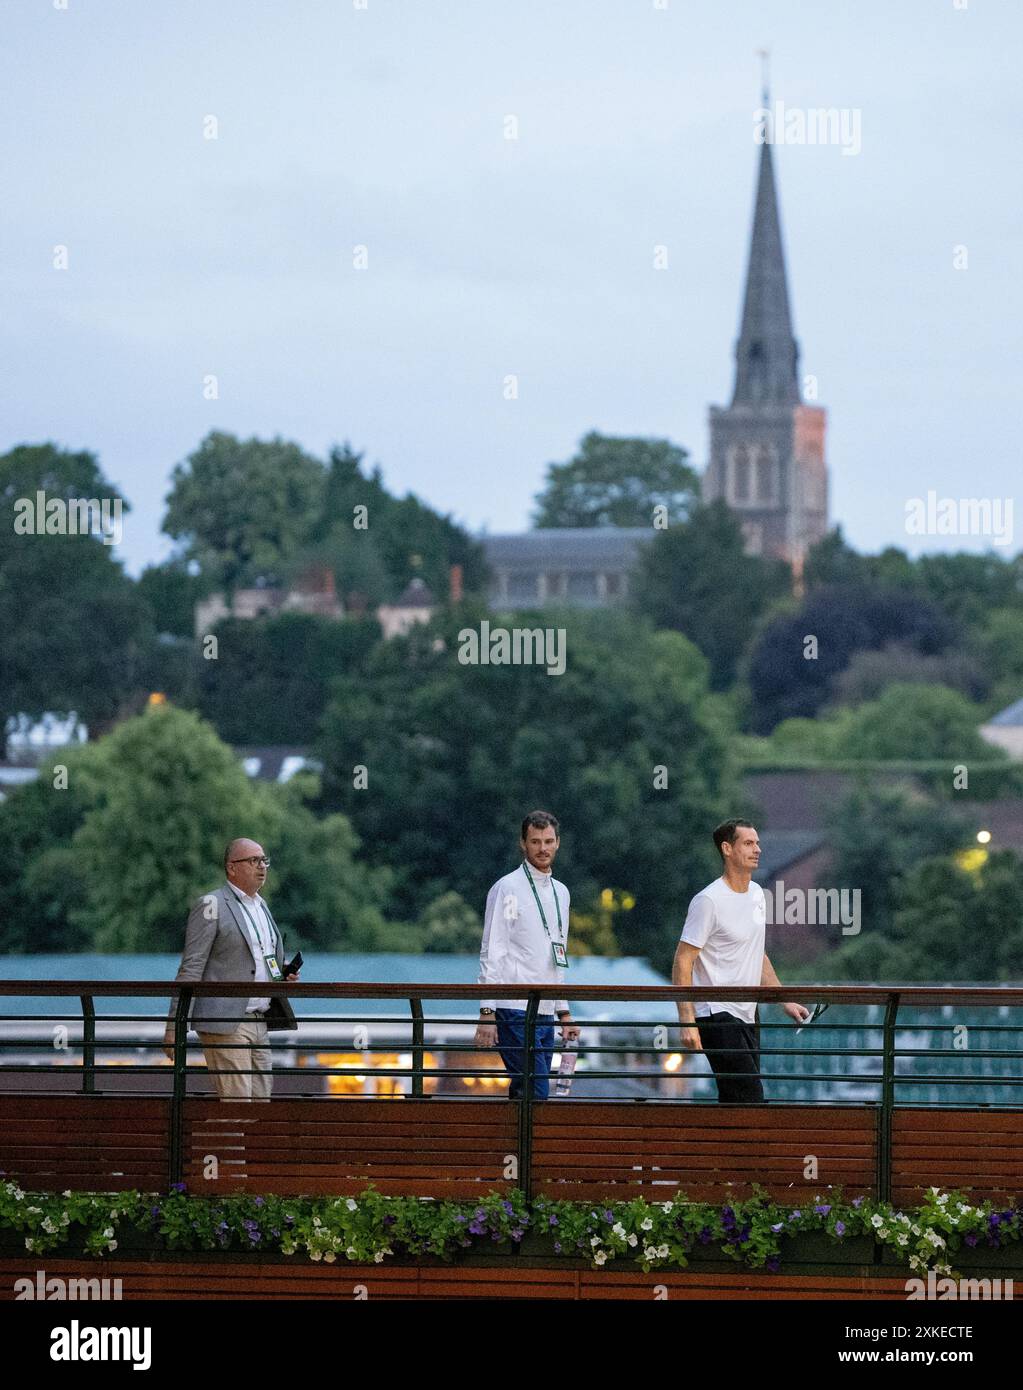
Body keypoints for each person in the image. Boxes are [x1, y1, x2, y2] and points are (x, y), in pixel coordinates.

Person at [673, 819, 808, 1103]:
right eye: (748, 843)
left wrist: (784, 999)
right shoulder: (708, 900)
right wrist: (687, 1020)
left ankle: (725, 1147)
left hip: (748, 1012)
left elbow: (756, 953)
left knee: (734, 1100)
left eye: (757, 842)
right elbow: (683, 960)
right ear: (727, 849)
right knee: (750, 1099)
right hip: (716, 1013)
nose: (757, 849)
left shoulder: (757, 894)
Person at [163, 839, 299, 1101]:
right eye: (253, 861)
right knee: (236, 1106)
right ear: (231, 868)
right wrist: (173, 1025)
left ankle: (234, 1143)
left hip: (261, 1019)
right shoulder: (211, 904)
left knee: (260, 1105)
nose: (262, 866)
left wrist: (281, 974)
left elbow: (253, 960)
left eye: (264, 860)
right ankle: (219, 1143)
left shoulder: (261, 906)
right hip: (225, 1021)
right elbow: (192, 965)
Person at [475, 810, 580, 1098]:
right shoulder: (507, 888)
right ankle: (531, 1144)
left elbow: (557, 956)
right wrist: (487, 1011)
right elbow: (492, 949)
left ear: (558, 842)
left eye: (548, 841)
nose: (543, 848)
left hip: (546, 1009)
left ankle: (514, 1144)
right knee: (536, 1092)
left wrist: (564, 1012)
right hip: (513, 1007)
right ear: (523, 843)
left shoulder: (562, 892)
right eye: (535, 842)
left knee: (527, 1093)